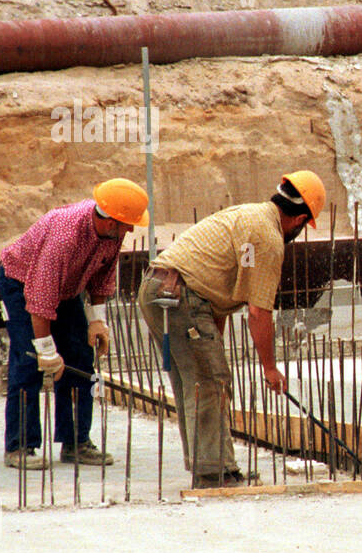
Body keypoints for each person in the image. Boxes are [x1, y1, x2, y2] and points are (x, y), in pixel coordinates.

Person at [137, 171, 325, 488]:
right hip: (178, 295)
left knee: (201, 379)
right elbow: (258, 312)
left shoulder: (250, 214)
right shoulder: (268, 238)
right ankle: (214, 473)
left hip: (160, 288)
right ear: (301, 218)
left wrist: (213, 346)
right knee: (209, 382)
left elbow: (215, 294)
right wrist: (269, 368)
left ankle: (215, 465)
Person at [0, 179, 148, 469]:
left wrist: (97, 322)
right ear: (110, 221)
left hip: (67, 288)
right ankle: (20, 446)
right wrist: (46, 349)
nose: (131, 230)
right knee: (30, 362)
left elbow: (103, 276)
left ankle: (76, 442)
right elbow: (40, 297)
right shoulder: (65, 236)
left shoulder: (112, 235)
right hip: (22, 281)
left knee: (80, 357)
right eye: (127, 224)